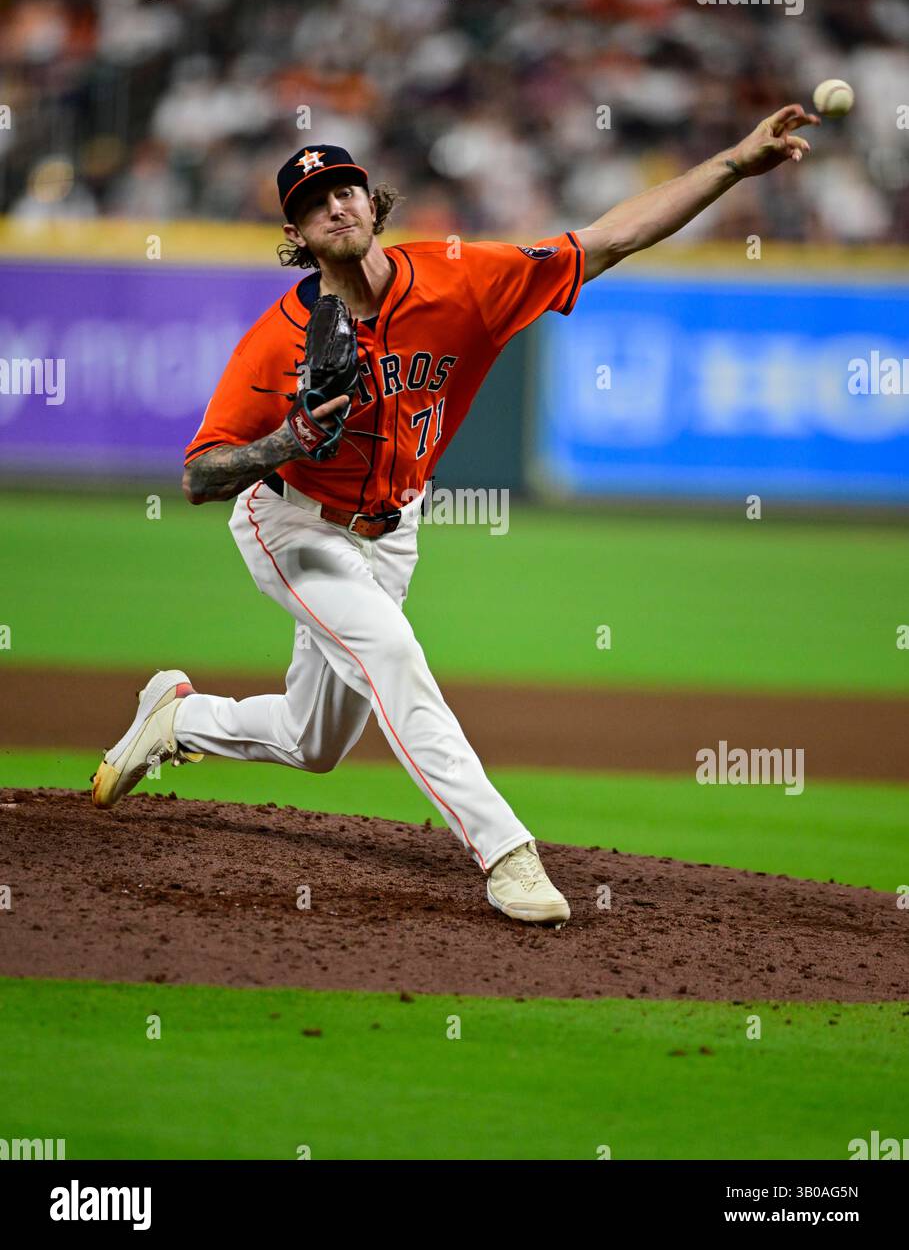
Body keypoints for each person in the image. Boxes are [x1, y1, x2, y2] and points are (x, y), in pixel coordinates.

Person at [91, 106, 818, 924]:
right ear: (295, 230)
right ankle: (505, 853)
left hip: (392, 528)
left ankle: (181, 716)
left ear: (373, 203)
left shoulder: (458, 278)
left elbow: (606, 240)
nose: (337, 206)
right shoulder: (275, 341)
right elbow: (197, 475)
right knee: (391, 652)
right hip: (292, 524)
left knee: (312, 741)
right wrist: (285, 440)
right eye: (314, 201)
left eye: (347, 189)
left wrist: (730, 161)